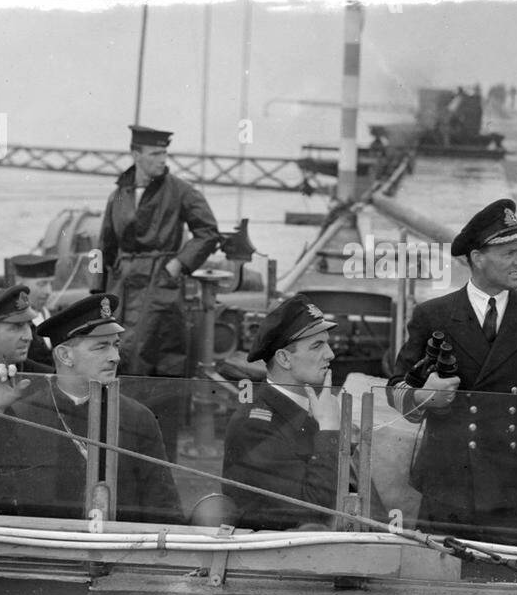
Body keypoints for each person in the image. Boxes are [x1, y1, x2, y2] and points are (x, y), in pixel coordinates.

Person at [387, 199, 517, 546]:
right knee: (442, 587)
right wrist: (424, 396)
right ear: (477, 258)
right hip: (449, 488)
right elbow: (397, 387)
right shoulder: (434, 316)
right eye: (509, 253)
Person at [0, 294, 180, 523]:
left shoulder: (138, 417)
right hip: (45, 550)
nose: (115, 357)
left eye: (116, 345)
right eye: (101, 347)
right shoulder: (25, 414)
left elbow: (164, 507)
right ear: (65, 355)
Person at [99, 125, 221, 377]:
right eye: (155, 153)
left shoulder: (179, 190)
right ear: (135, 155)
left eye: (164, 153)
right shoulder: (120, 194)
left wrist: (177, 265)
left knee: (152, 353)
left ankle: (149, 413)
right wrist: (98, 292)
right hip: (123, 284)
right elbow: (105, 245)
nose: (163, 159)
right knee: (116, 347)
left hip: (159, 283)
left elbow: (208, 232)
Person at [219, 294, 345, 530]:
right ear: (284, 358)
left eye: (326, 343)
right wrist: (328, 428)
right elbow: (312, 510)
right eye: (317, 346)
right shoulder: (256, 426)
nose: (330, 354)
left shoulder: (306, 408)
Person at [10, 254, 60, 366]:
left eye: (51, 283)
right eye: (42, 284)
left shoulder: (50, 316)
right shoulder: (13, 322)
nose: (48, 291)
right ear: (20, 284)